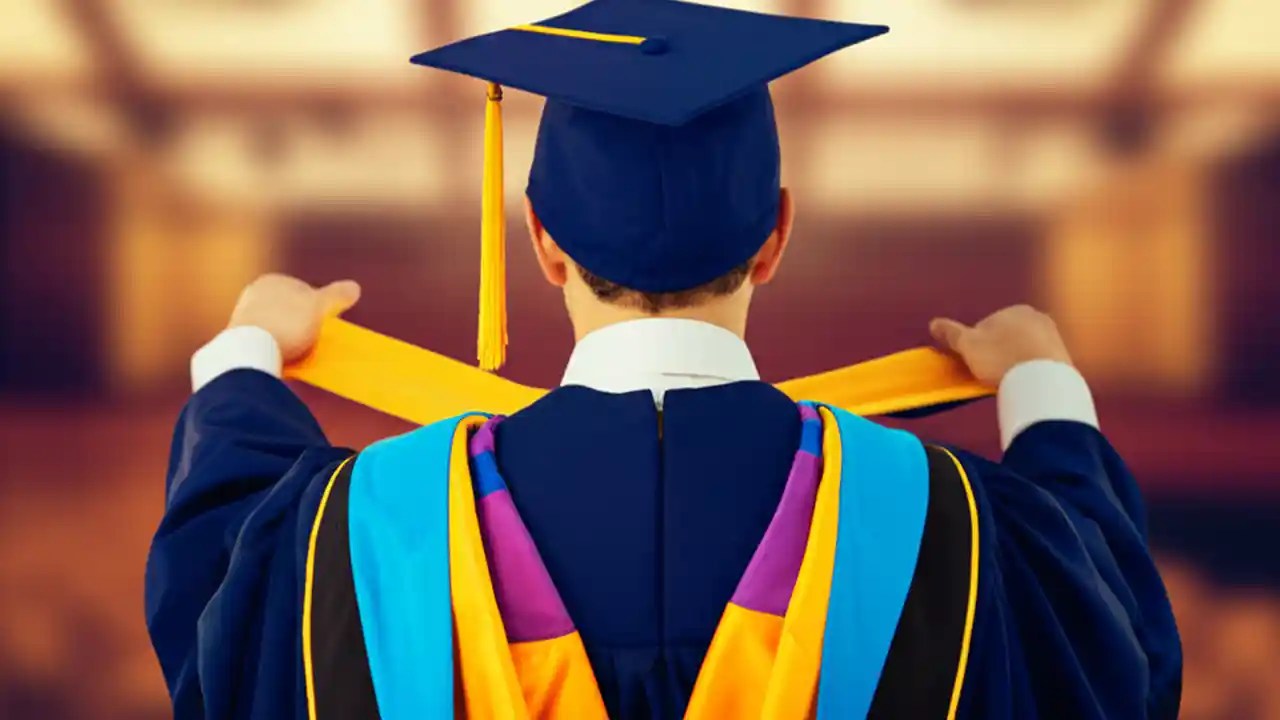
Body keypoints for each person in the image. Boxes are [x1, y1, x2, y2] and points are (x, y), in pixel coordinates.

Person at [145, 1, 1181, 718]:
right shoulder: (948, 526)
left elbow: (218, 607)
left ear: (542, 241)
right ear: (775, 236)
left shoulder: (366, 526)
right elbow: (1113, 657)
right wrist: (1041, 385)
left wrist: (249, 350)